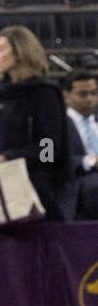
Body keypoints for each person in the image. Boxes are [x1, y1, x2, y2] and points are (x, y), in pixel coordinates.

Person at [0, 28, 71, 220]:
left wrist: (7, 158)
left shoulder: (45, 93)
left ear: (20, 52)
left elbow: (49, 150)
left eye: (0, 49)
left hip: (35, 188)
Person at [62, 69, 98, 219]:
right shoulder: (53, 125)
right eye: (82, 94)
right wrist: (88, 161)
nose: (90, 99)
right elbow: (47, 161)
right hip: (78, 182)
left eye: (94, 93)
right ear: (66, 96)